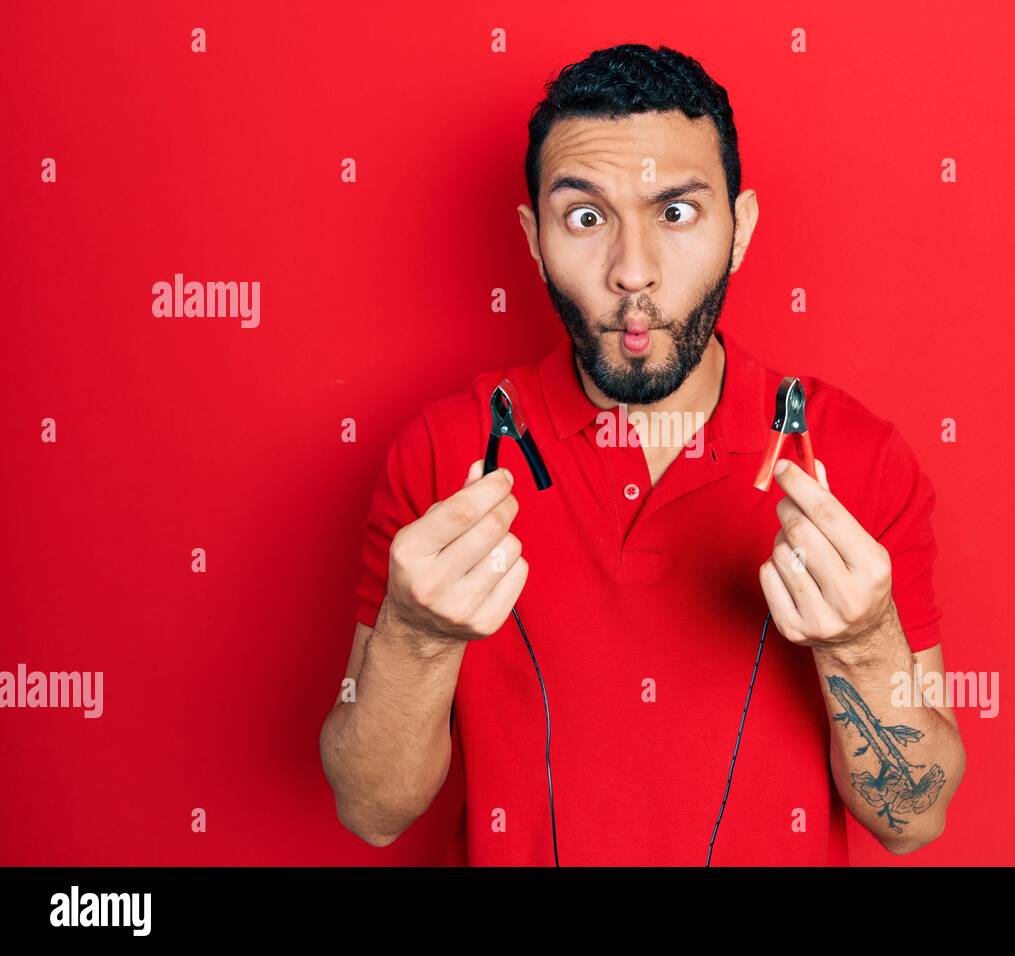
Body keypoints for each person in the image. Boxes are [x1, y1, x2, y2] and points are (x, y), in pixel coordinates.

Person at [319, 43, 965, 866]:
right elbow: (371, 810)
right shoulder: (447, 452)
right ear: (533, 238)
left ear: (742, 229)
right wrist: (416, 636)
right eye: (586, 217)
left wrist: (863, 644)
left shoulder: (853, 458)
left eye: (677, 212)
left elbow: (914, 821)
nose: (633, 271)